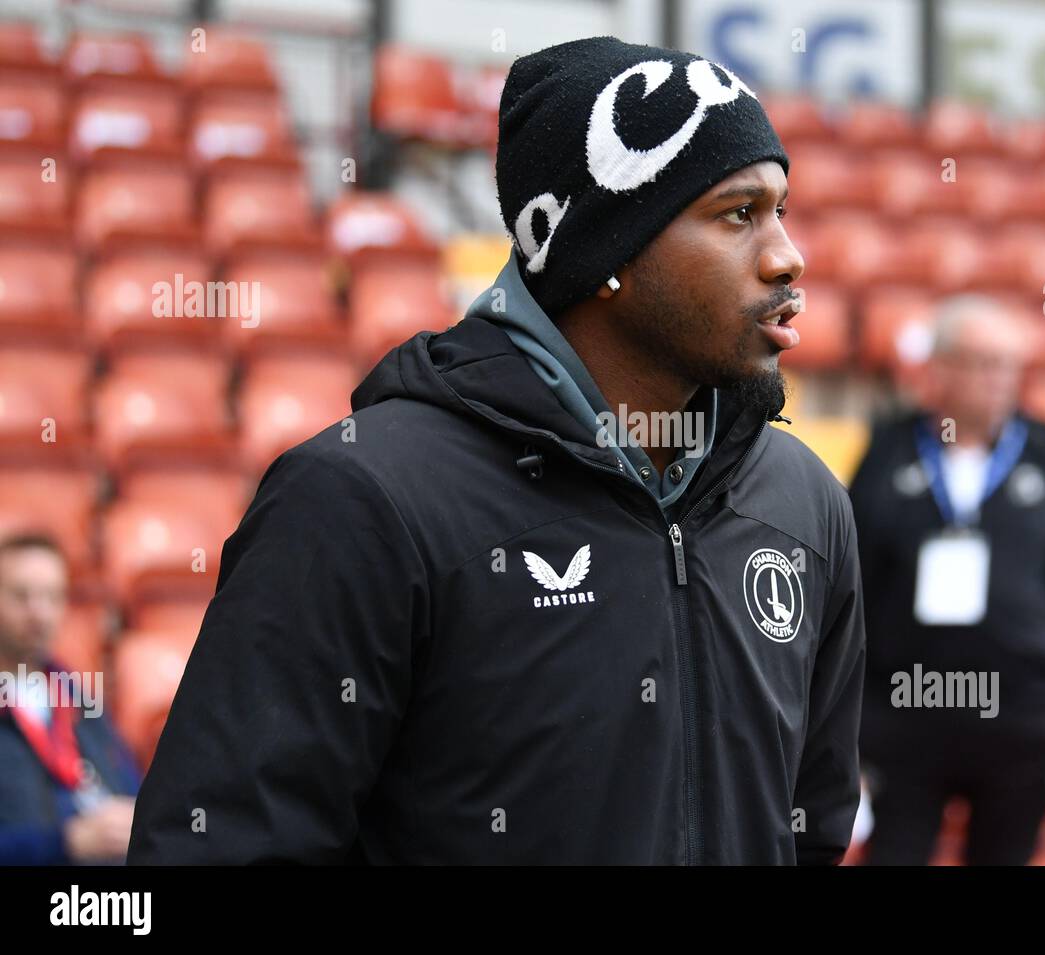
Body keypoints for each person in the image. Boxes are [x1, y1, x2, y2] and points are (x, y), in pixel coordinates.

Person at [128, 36, 865, 865]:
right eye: (737, 213)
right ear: (608, 251)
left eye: (781, 210)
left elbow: (811, 828)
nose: (786, 256)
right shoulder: (362, 497)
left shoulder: (804, 504)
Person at [847, 295, 1045, 865]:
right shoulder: (888, 453)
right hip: (905, 716)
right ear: (937, 369)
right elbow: (854, 585)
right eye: (980, 362)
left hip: (1022, 721)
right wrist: (860, 713)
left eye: (1007, 365)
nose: (997, 380)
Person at [0, 533, 140, 865]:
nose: (40, 613)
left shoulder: (73, 693)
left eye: (52, 597)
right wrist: (66, 842)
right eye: (22, 596)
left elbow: (131, 787)